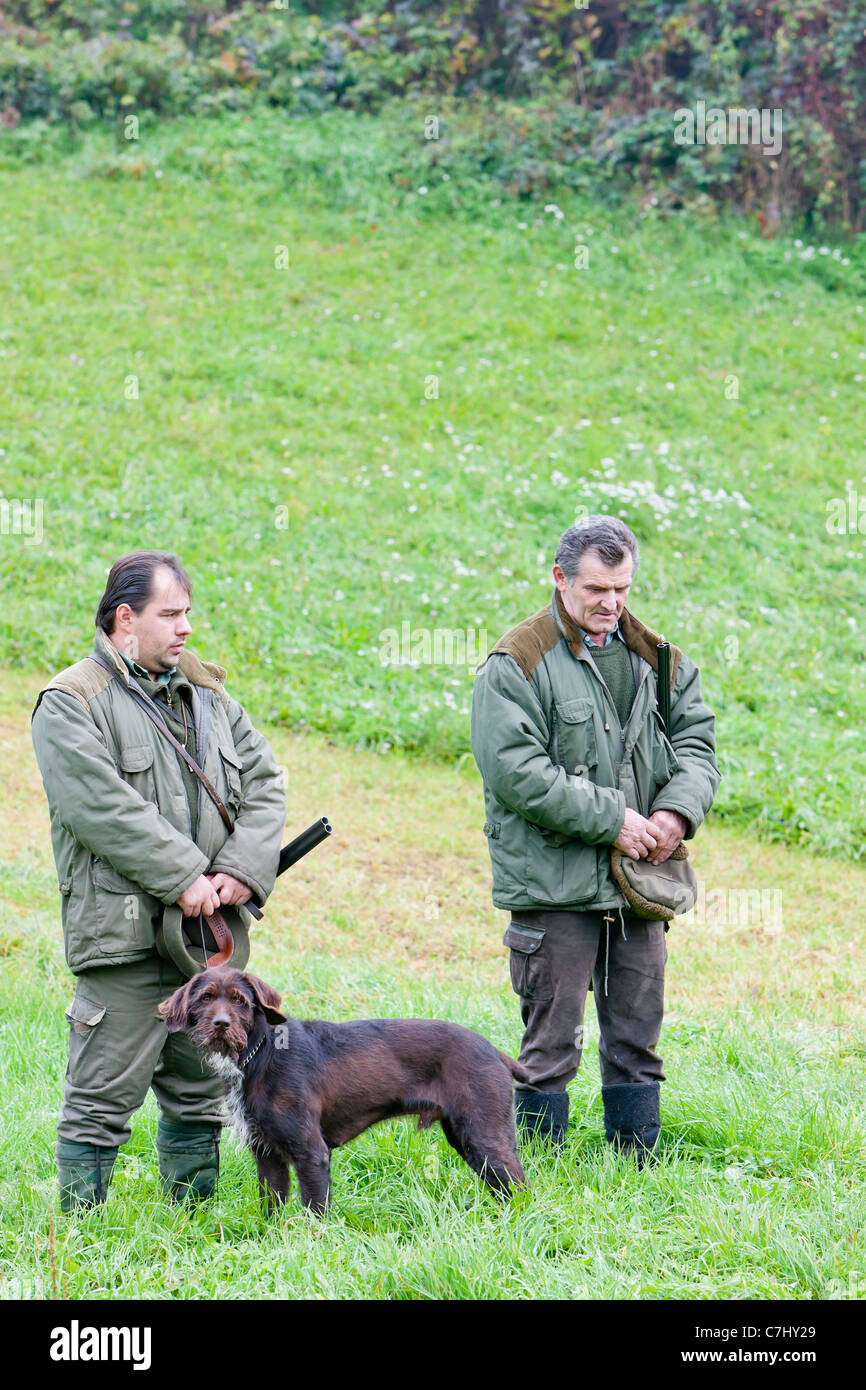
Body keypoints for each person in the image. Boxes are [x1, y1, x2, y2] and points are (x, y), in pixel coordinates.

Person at [30, 550, 286, 1210]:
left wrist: (239, 870)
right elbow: (98, 806)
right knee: (99, 1100)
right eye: (169, 614)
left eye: (187, 614)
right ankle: (79, 1238)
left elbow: (266, 782)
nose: (185, 628)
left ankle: (191, 1224)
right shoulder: (70, 702)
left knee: (200, 1094)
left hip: (206, 943)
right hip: (125, 940)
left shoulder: (209, 695)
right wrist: (183, 876)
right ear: (125, 618)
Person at [470, 516, 720, 1157]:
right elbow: (517, 774)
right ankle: (531, 1176)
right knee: (550, 1044)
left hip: (639, 887)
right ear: (559, 580)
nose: (610, 603)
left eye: (622, 589)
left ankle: (635, 1169)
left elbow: (697, 741)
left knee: (638, 1036)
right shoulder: (516, 663)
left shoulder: (657, 658)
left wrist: (675, 814)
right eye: (595, 590)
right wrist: (616, 821)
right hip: (553, 887)